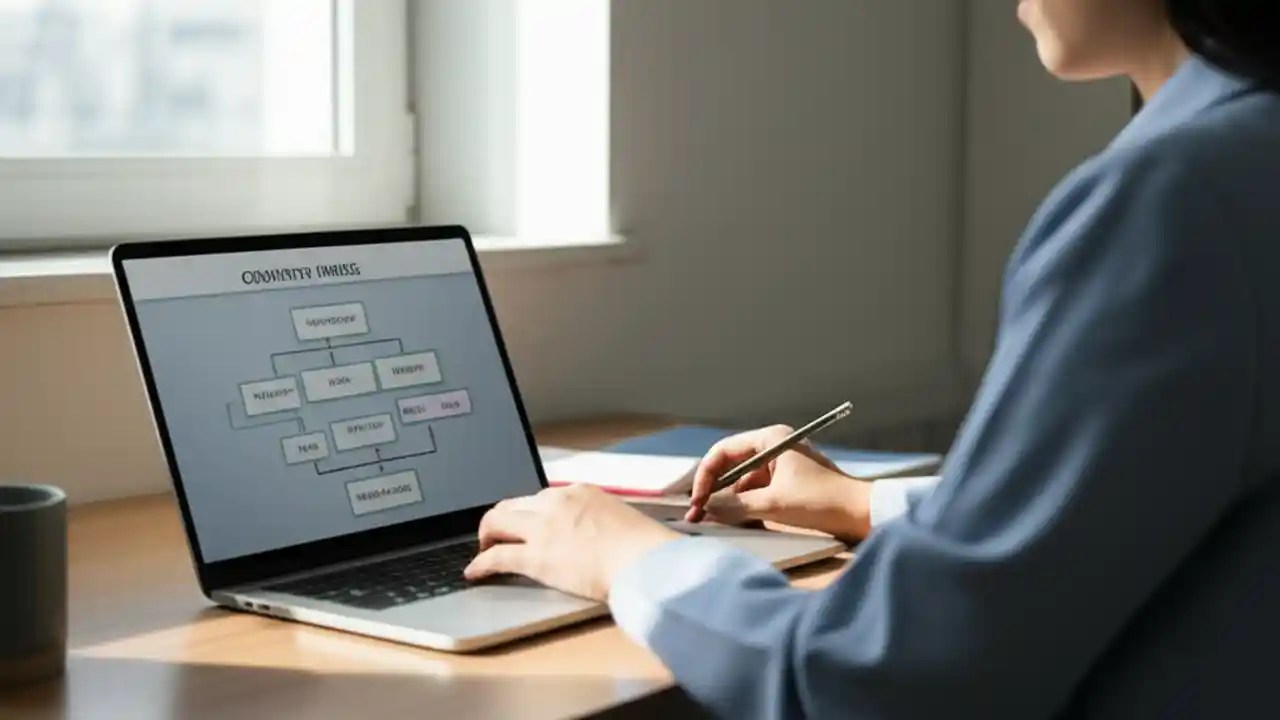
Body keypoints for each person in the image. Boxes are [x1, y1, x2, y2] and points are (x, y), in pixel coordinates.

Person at [465, 0, 1280, 716]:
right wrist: (869, 507)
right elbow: (1164, 486)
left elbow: (877, 684)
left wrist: (629, 559)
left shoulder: (1169, 200)